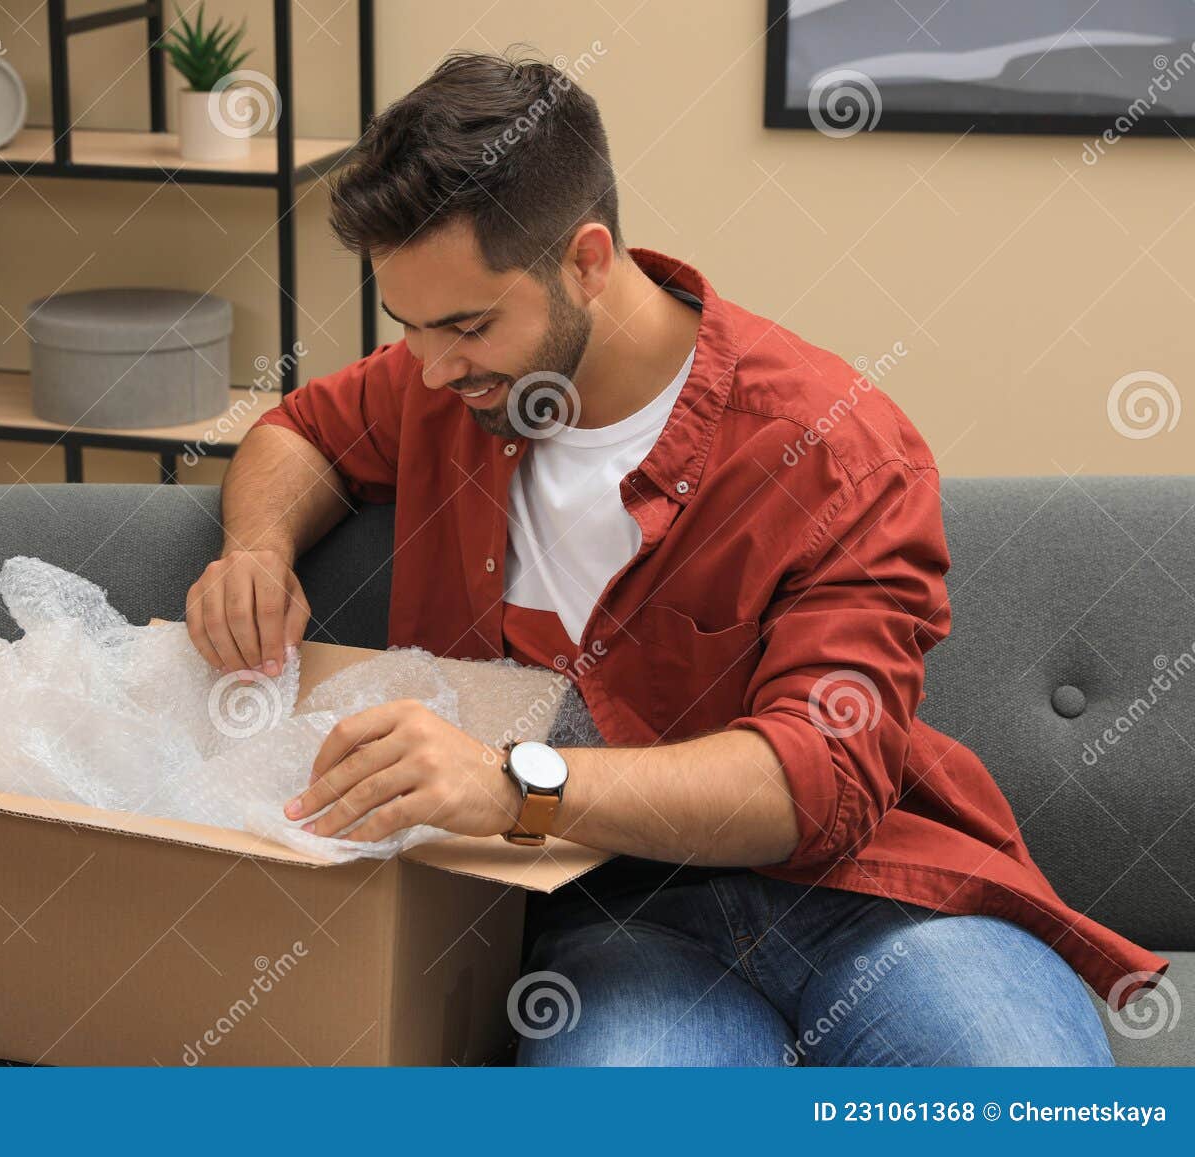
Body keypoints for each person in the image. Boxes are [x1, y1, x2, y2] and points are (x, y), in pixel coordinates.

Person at [182, 51, 1165, 1066]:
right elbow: (297, 432)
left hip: (876, 901)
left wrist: (514, 783)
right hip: (613, 927)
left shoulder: (834, 446)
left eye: (467, 325)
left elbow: (815, 782)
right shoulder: (444, 385)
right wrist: (256, 547)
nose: (429, 367)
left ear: (588, 260)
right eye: (408, 327)